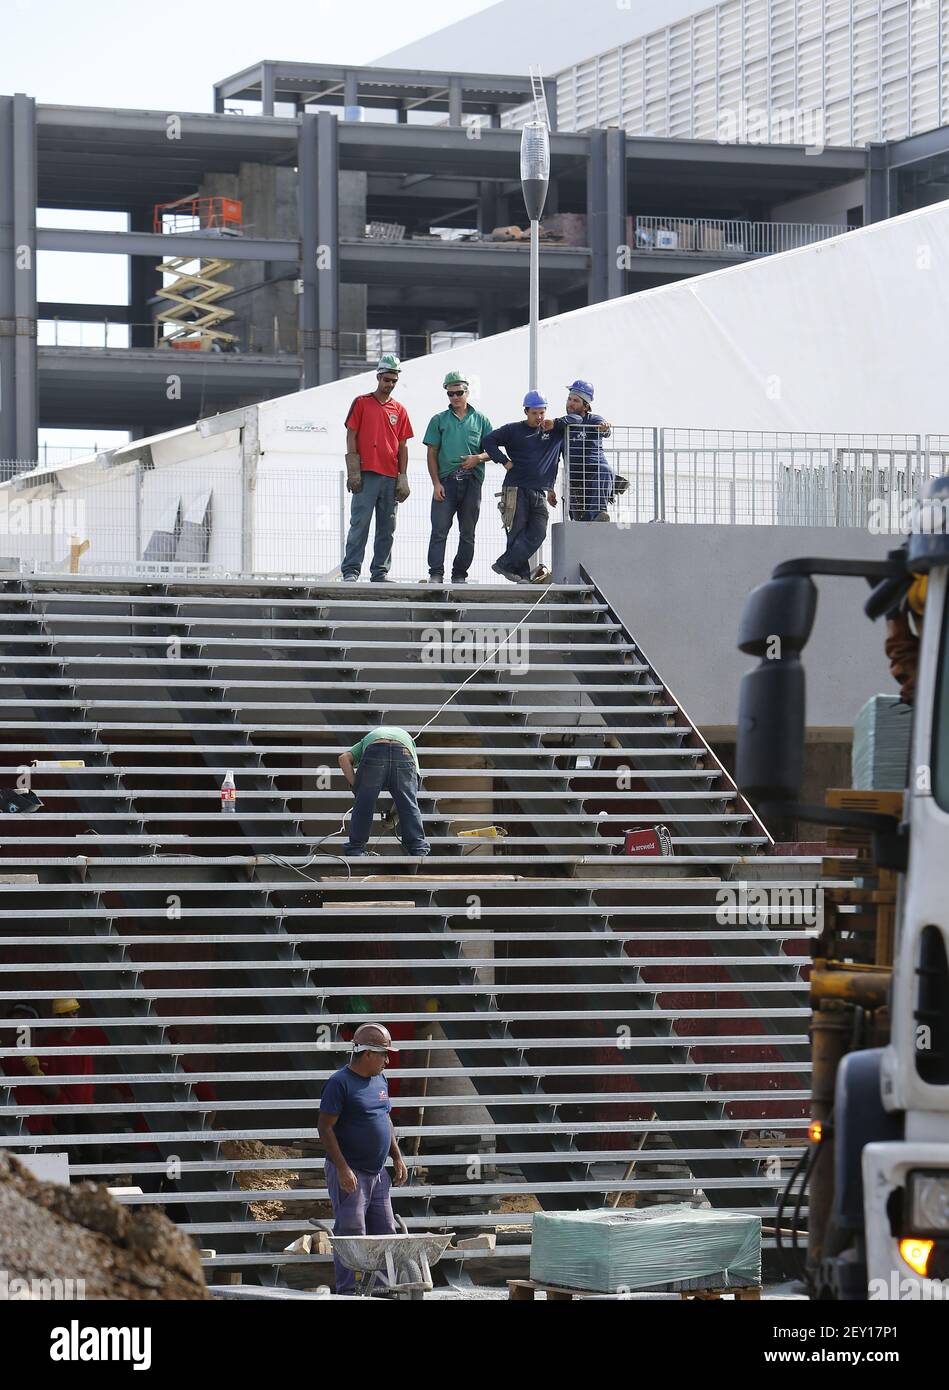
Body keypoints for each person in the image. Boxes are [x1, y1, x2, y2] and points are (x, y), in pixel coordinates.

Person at [317, 1022, 408, 1296]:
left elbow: (385, 1118)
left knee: (384, 1231)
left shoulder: (381, 1080)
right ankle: (348, 1290)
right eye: (384, 1054)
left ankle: (380, 1289)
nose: (388, 1060)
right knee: (351, 1232)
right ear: (367, 1053)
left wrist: (397, 1156)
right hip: (351, 1172)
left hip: (378, 1173)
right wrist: (343, 1169)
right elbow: (324, 1128)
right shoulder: (339, 1083)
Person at [476, 391, 565, 583]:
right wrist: (504, 461)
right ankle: (522, 576)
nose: (539, 417)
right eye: (534, 413)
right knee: (517, 532)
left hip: (539, 491)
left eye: (542, 412)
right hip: (515, 488)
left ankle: (504, 564)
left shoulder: (553, 430)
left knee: (538, 532)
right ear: (526, 411)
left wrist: (550, 488)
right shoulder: (513, 430)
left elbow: (573, 422)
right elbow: (488, 441)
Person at [341, 355, 414, 583]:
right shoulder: (361, 402)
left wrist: (403, 476)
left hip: (390, 477)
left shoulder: (399, 410)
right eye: (386, 379)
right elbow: (351, 434)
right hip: (366, 474)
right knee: (359, 524)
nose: (390, 384)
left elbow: (403, 446)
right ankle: (351, 571)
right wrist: (353, 469)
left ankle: (380, 572)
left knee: (387, 528)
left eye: (393, 380)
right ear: (378, 377)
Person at [422, 371, 493, 584]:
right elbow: (431, 452)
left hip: (472, 481)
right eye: (450, 394)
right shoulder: (438, 420)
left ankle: (460, 574)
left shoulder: (481, 420)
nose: (454, 398)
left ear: (467, 392)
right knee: (439, 530)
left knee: (468, 532)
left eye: (458, 393)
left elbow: (492, 451)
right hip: (447, 482)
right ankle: (435, 574)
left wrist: (477, 458)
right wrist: (436, 483)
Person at [338, 726, 430, 858]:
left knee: (364, 804)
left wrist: (358, 788)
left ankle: (355, 850)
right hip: (403, 750)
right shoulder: (407, 739)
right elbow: (407, 796)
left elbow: (343, 759)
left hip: (375, 748)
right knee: (409, 804)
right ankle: (418, 849)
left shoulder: (366, 740)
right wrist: (394, 816)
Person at [562, 380, 615, 522]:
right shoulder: (564, 425)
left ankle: (599, 514)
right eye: (569, 399)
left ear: (586, 406)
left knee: (605, 469)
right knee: (579, 521)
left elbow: (605, 429)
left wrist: (605, 428)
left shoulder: (593, 420)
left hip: (595, 475)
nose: (570, 403)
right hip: (574, 479)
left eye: (576, 401)